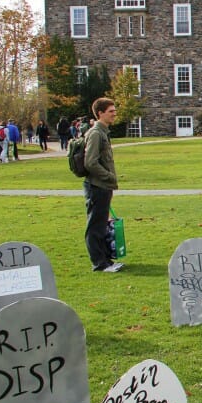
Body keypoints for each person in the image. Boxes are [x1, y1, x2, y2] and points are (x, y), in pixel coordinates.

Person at [83, 98, 123, 272]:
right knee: (95, 226)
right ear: (100, 113)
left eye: (114, 110)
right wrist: (108, 176)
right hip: (97, 186)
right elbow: (90, 162)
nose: (114, 114)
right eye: (110, 111)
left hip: (104, 186)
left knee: (102, 225)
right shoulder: (96, 133)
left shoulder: (103, 132)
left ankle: (106, 260)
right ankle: (99, 263)